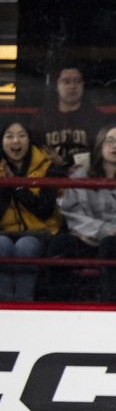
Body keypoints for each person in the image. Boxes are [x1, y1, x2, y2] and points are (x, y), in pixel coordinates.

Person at [48, 125, 116, 302]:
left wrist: (95, 232)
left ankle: (108, 308)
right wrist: (102, 230)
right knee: (60, 244)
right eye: (109, 141)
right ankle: (58, 308)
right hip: (88, 240)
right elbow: (72, 213)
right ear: (100, 146)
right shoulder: (81, 176)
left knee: (111, 245)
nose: (115, 145)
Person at [0, 116, 65, 302]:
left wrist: (18, 186)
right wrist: (6, 185)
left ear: (29, 140)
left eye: (21, 135)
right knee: (1, 244)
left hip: (40, 234)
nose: (15, 141)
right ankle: (4, 306)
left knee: (25, 245)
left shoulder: (47, 168)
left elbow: (44, 211)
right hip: (5, 234)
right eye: (9, 136)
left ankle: (23, 303)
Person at [31, 65, 106, 171]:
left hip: (85, 177)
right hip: (51, 177)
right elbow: (37, 153)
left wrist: (64, 162)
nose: (72, 86)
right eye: (66, 82)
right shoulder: (42, 116)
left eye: (78, 81)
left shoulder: (96, 116)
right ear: (56, 86)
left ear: (83, 86)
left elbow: (98, 154)